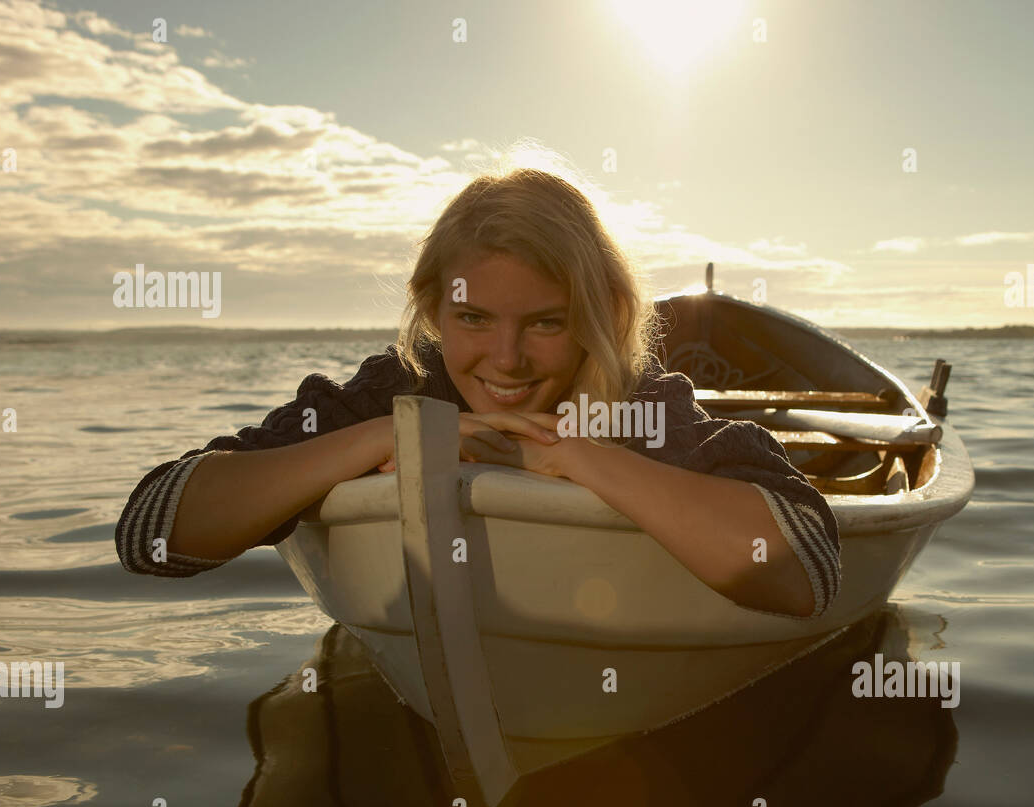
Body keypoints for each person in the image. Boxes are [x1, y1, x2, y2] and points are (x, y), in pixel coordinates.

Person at [115, 159, 840, 618]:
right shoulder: (401, 385)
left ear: (605, 314)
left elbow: (806, 569)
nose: (508, 358)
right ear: (432, 308)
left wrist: (565, 456)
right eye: (472, 317)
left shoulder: (637, 399)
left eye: (548, 322)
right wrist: (384, 438)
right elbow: (149, 531)